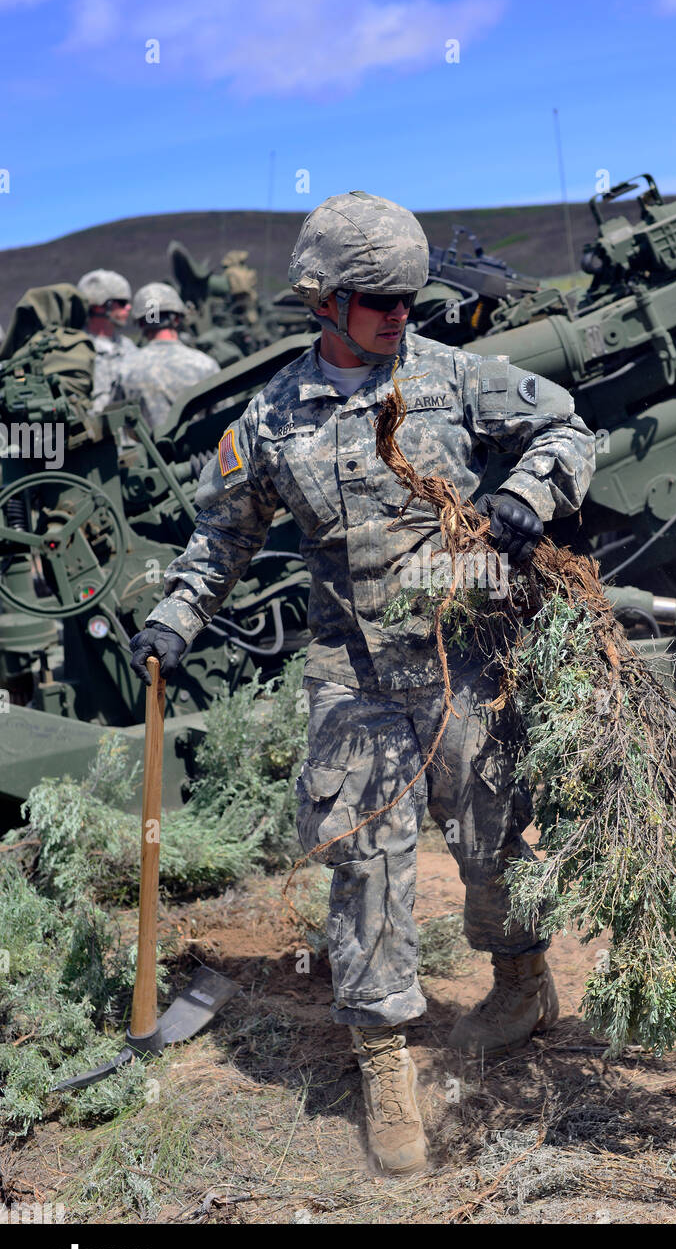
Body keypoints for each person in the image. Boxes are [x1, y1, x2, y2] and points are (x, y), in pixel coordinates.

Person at [128, 191, 595, 1177]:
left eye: (408, 295)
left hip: (464, 648)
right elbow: (223, 539)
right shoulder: (270, 419)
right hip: (352, 673)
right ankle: (386, 1063)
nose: (399, 312)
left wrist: (522, 494)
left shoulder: (457, 380)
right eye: (377, 297)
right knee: (364, 860)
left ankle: (522, 983)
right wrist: (173, 617)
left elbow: (569, 430)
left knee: (494, 833)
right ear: (324, 301)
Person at [115, 283, 220, 430]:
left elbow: (119, 427)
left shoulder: (125, 369)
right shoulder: (205, 365)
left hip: (147, 452)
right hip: (200, 452)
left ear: (140, 323)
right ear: (177, 319)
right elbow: (224, 420)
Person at [76, 268, 138, 413]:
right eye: (122, 303)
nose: (128, 307)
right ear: (100, 305)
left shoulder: (129, 348)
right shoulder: (77, 350)